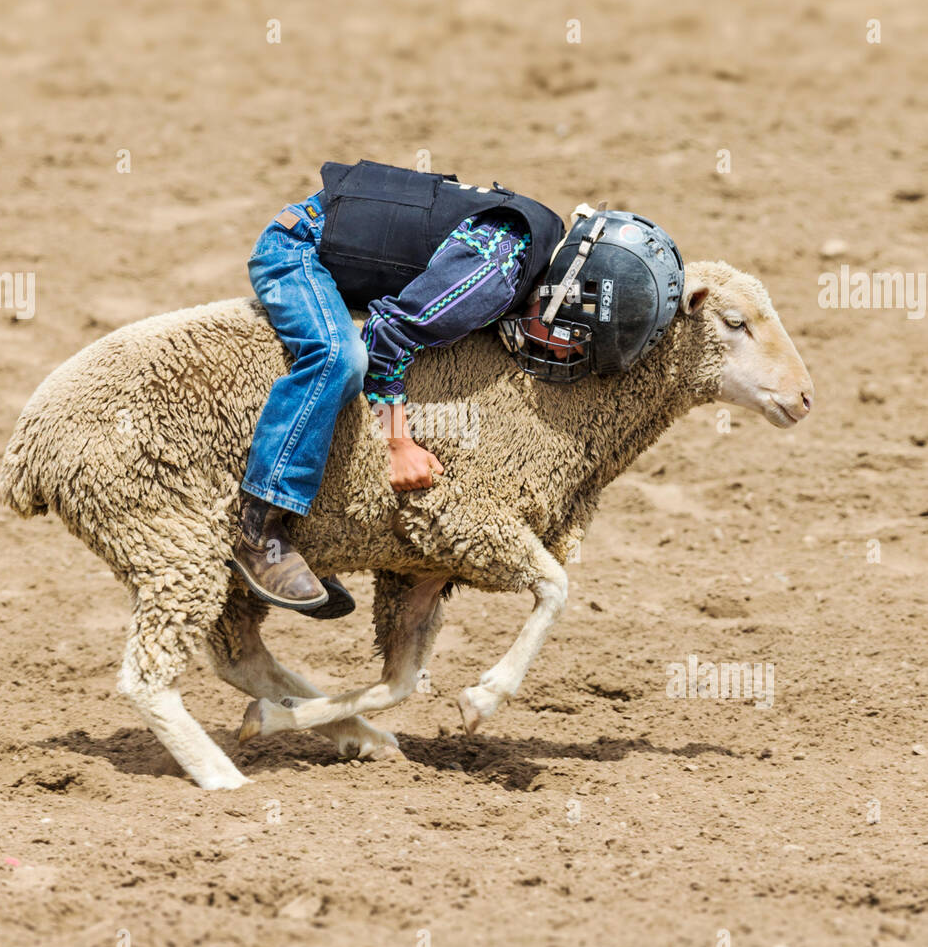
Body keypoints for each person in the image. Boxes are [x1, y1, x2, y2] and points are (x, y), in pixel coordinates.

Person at [232, 160, 683, 617]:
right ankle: (258, 527)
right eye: (573, 339)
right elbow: (387, 331)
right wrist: (398, 443)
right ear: (560, 297)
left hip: (333, 248)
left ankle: (311, 529)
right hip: (296, 246)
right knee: (341, 359)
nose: (567, 356)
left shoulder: (538, 251)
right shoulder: (496, 277)